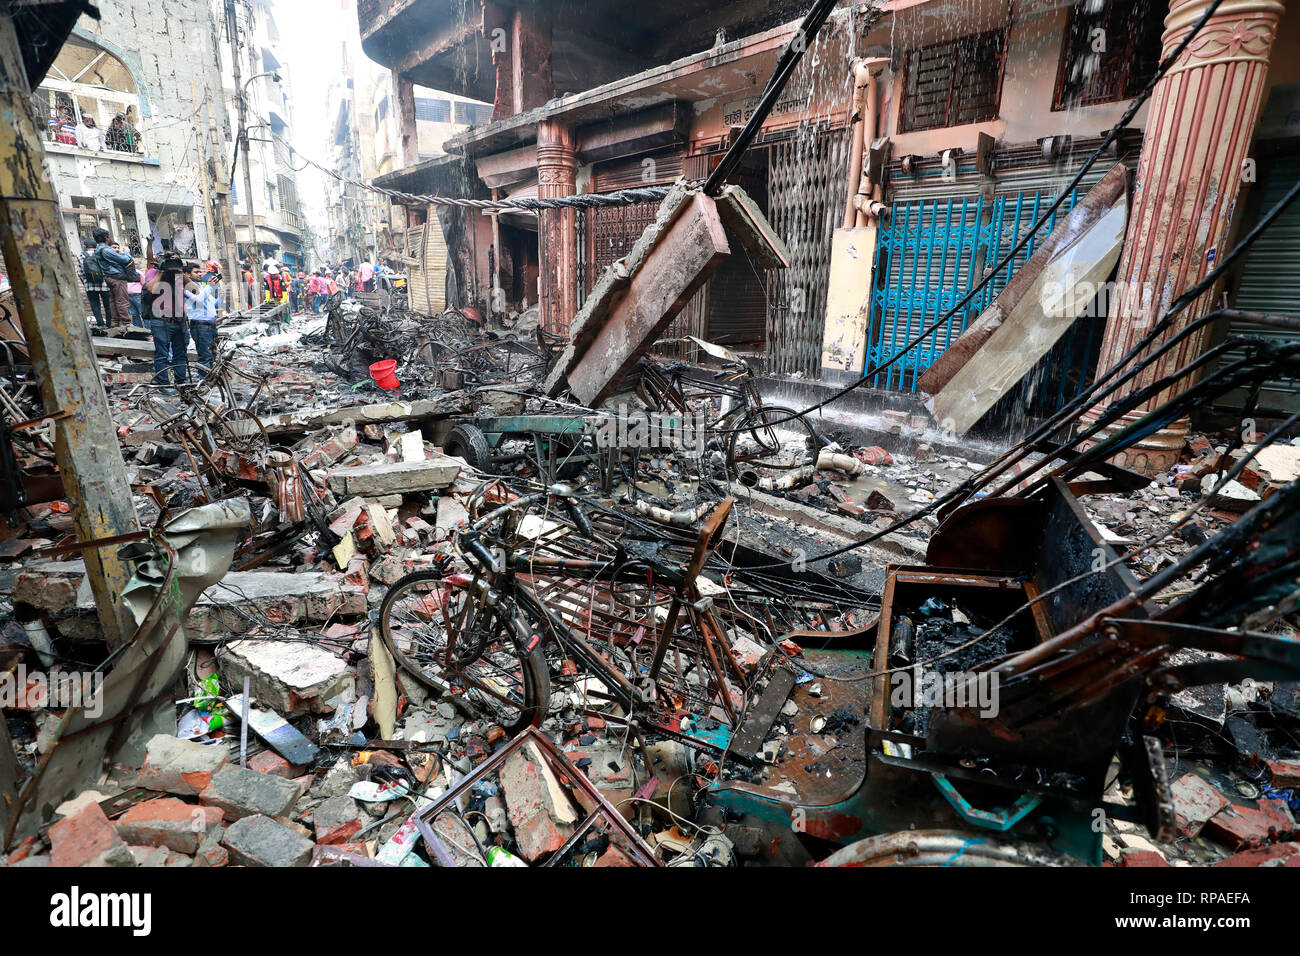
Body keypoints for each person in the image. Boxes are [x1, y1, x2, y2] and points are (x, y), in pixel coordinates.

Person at [144, 253, 189, 388]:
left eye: (176, 260)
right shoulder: (154, 272)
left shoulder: (178, 275)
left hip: (179, 321)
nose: (172, 263)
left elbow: (195, 290)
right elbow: (151, 289)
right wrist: (161, 271)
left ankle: (181, 383)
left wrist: (181, 272)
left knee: (180, 354)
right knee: (162, 354)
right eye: (171, 260)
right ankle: (164, 385)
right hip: (161, 321)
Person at [92, 227, 134, 326]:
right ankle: (126, 322)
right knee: (121, 300)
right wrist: (127, 252)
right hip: (117, 277)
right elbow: (124, 259)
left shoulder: (99, 249)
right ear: (106, 238)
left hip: (109, 277)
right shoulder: (106, 250)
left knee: (114, 300)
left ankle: (116, 322)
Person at [184, 261, 219, 370]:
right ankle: (203, 382)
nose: (200, 274)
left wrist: (220, 294)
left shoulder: (201, 286)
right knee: (205, 356)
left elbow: (213, 303)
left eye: (200, 272)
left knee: (212, 355)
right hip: (200, 326)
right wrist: (209, 287)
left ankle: (210, 380)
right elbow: (199, 299)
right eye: (196, 272)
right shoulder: (188, 287)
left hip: (210, 325)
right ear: (188, 275)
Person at [78, 237, 112, 331]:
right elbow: (107, 269)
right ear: (96, 246)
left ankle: (101, 324)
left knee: (95, 305)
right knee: (107, 305)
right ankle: (109, 324)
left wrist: (85, 282)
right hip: (104, 284)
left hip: (90, 285)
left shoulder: (81, 255)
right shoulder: (101, 254)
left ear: (85, 246)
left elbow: (80, 272)